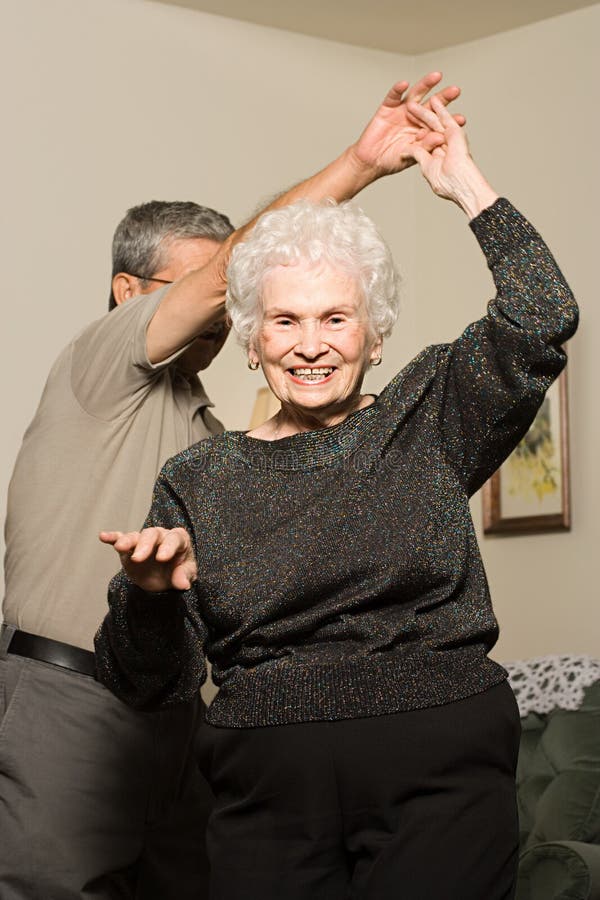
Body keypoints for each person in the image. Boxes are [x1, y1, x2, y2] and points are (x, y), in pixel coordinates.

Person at [96, 96, 579, 900]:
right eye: (284, 320)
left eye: (335, 317)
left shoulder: (428, 414)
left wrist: (463, 182)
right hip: (266, 793)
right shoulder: (200, 479)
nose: (311, 344)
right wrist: (146, 597)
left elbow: (541, 315)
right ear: (252, 340)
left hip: (441, 770)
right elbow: (148, 685)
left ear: (375, 332)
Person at [0, 73, 463, 899]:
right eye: (209, 292)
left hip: (189, 716)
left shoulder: (219, 448)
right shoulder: (100, 363)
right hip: (70, 703)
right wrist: (360, 163)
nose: (224, 313)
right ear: (127, 296)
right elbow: (229, 270)